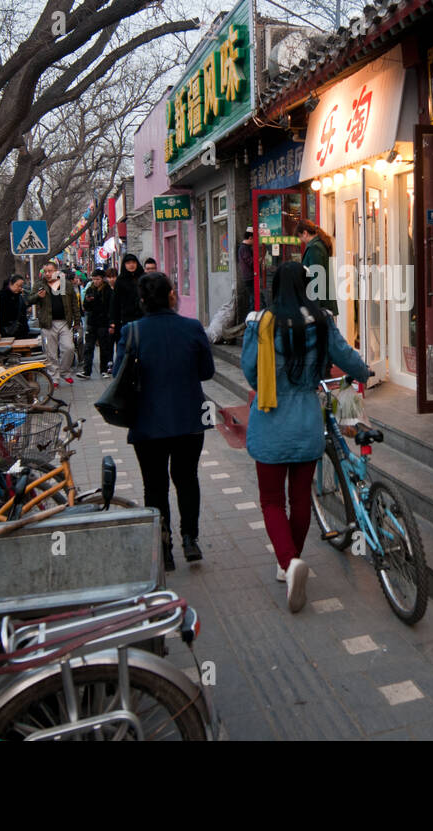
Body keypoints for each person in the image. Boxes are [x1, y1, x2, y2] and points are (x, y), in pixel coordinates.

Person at [242, 261, 370, 612]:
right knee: (300, 499)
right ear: (305, 285)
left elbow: (251, 373)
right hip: (307, 421)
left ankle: (288, 562)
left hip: (270, 420)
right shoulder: (322, 321)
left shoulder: (261, 323)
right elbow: (346, 358)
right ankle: (293, 559)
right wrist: (364, 372)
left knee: (271, 501)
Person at [114, 272, 215, 572]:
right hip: (188, 419)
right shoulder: (192, 327)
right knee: (187, 479)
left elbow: (118, 375)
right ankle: (190, 539)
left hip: (147, 423)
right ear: (172, 295)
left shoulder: (131, 332)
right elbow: (206, 372)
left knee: (154, 485)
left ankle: (164, 546)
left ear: (142, 300)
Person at [27, 262, 81, 386]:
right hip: (48, 323)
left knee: (69, 348)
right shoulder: (40, 284)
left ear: (56, 271)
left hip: (64, 322)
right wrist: (38, 296)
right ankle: (54, 377)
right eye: (45, 271)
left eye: (50, 271)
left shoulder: (65, 284)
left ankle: (64, 371)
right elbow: (29, 300)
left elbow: (74, 303)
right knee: (50, 353)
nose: (47, 274)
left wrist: (77, 320)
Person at [78, 268, 114, 379]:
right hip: (92, 322)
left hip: (103, 323)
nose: (95, 281)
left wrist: (111, 323)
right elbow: (85, 307)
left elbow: (110, 308)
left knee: (104, 347)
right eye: (93, 279)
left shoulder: (108, 290)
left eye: (97, 279)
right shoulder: (90, 290)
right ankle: (86, 371)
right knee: (88, 347)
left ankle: (104, 370)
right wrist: (88, 301)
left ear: (102, 279)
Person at [298, 218, 337, 316]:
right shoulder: (320, 245)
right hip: (322, 304)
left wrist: (314, 309)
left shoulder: (314, 248)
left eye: (300, 237)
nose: (301, 241)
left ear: (305, 233)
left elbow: (316, 280)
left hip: (319, 306)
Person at [108, 253, 144, 339]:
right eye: (128, 263)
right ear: (124, 265)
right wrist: (113, 321)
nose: (131, 265)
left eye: (133, 262)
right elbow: (115, 302)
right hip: (126, 317)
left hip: (143, 316)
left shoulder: (143, 278)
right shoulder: (120, 280)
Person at [0, 274, 30, 338]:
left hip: (21, 332)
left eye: (21, 286)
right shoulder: (1, 296)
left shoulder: (20, 297)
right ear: (10, 284)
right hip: (6, 333)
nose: (20, 288)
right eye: (18, 285)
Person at [237, 226, 255, 317]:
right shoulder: (244, 248)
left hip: (249, 277)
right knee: (253, 299)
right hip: (250, 278)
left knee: (253, 299)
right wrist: (258, 261)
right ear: (250, 238)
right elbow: (251, 262)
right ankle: (251, 319)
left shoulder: (245, 247)